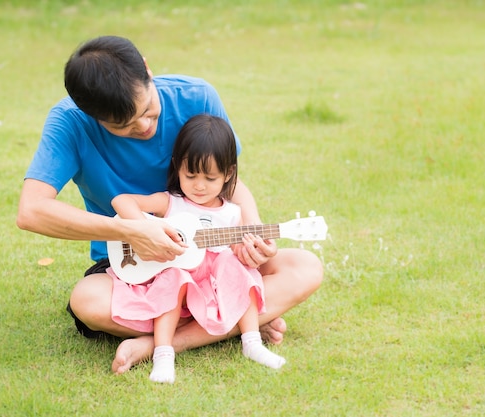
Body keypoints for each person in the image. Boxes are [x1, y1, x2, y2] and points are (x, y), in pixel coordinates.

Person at [16, 35, 323, 374]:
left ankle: (161, 343)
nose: (145, 127)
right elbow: (32, 210)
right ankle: (235, 319)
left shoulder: (196, 97)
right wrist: (130, 230)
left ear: (147, 69)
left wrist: (251, 232)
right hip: (133, 269)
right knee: (87, 300)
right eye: (125, 127)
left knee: (305, 268)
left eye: (147, 110)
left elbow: (229, 184)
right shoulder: (70, 122)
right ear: (91, 114)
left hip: (212, 260)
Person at [110, 114, 286, 383]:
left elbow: (241, 258)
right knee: (174, 277)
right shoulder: (170, 203)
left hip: (213, 288)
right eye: (190, 175)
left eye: (210, 178)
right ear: (176, 167)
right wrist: (145, 231)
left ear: (228, 175)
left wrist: (252, 249)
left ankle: (252, 343)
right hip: (180, 281)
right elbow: (122, 201)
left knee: (240, 268)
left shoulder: (232, 214)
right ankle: (163, 355)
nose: (199, 185)